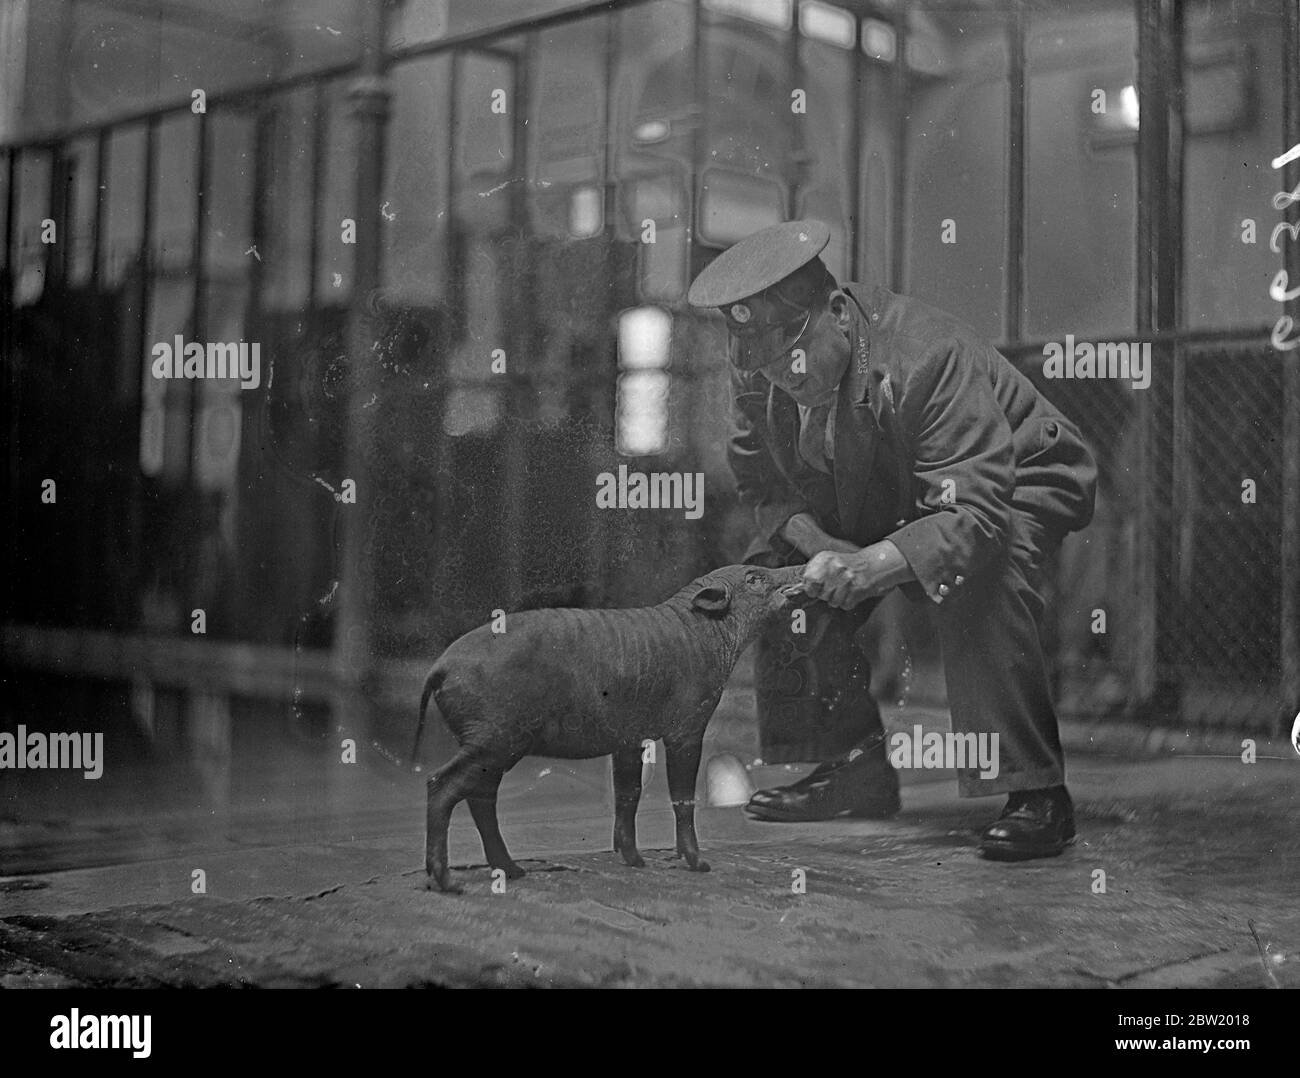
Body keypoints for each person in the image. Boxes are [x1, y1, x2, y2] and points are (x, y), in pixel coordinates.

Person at [687, 220, 1098, 860]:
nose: (781, 375)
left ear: (838, 314)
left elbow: (975, 510)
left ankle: (1036, 791)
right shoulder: (764, 375)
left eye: (790, 353)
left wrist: (881, 562)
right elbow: (765, 488)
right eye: (762, 363)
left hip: (1011, 479)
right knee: (776, 579)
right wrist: (826, 547)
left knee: (984, 572)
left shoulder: (926, 355)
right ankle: (855, 771)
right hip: (887, 489)